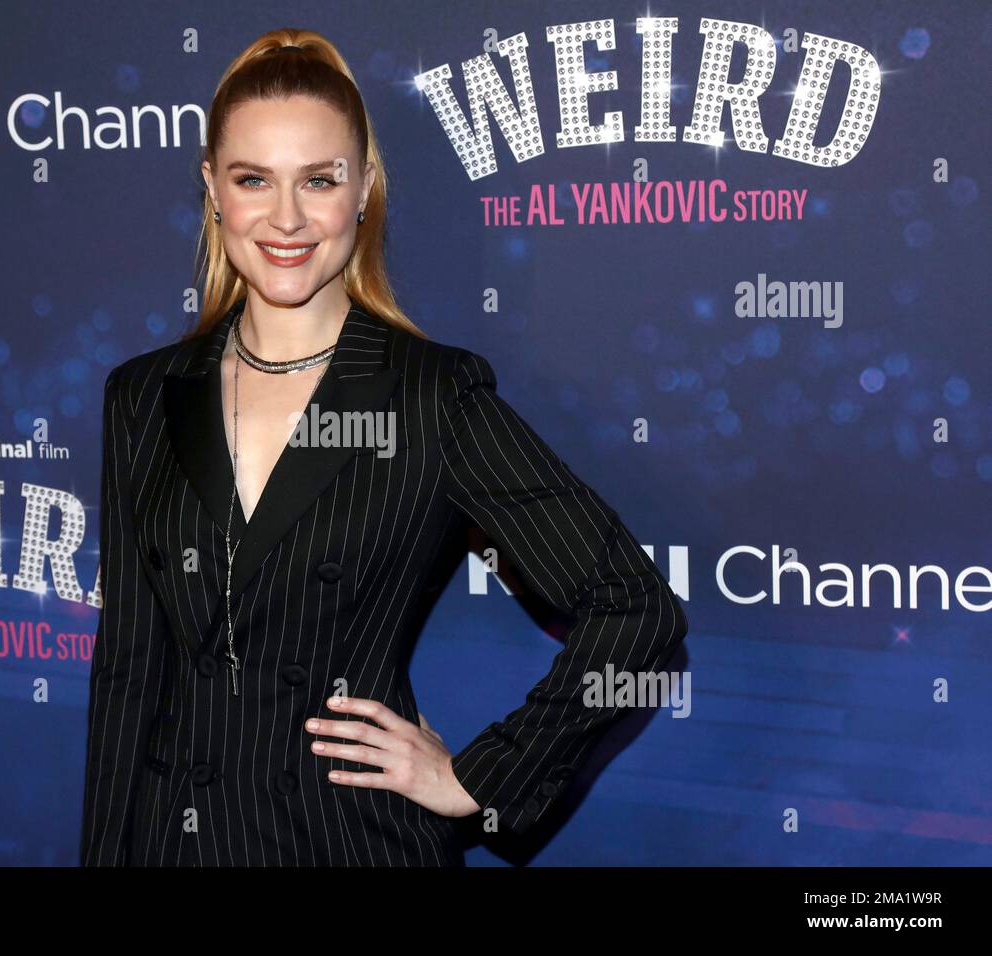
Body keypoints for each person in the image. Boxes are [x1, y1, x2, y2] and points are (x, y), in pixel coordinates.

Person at [80, 28, 688, 867]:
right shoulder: (142, 396)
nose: (286, 218)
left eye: (319, 180)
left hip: (345, 844)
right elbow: (127, 678)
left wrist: (480, 778)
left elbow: (637, 610)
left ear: (363, 189)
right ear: (213, 191)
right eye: (253, 179)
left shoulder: (429, 395)